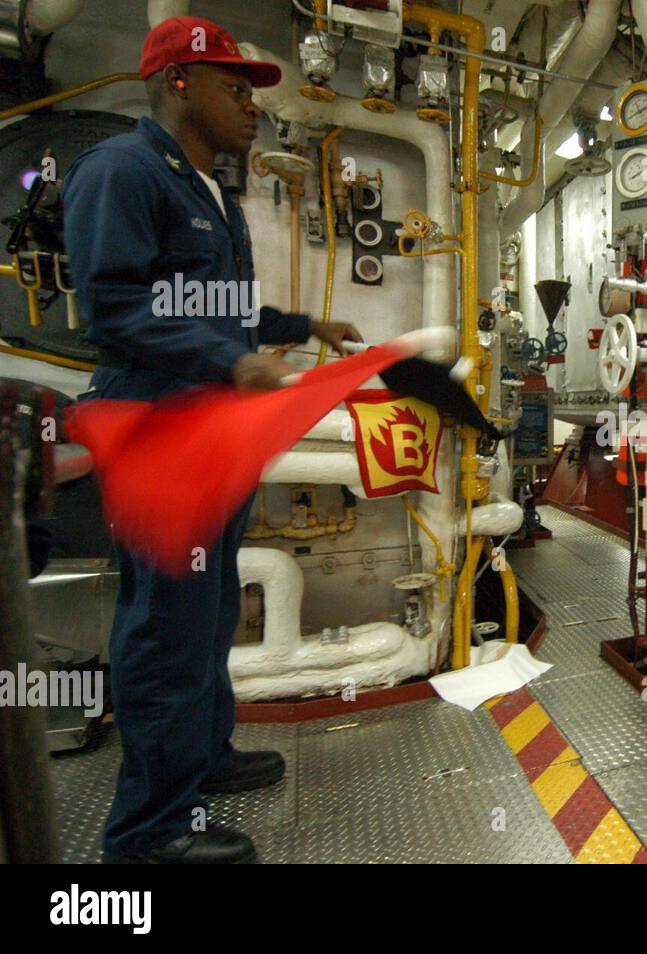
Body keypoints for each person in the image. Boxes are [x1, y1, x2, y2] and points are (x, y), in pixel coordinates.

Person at [63, 15, 362, 862]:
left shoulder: (210, 194)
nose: (251, 105)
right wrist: (229, 363)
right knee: (166, 626)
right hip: (156, 428)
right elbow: (115, 307)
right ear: (177, 83)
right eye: (235, 87)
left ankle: (200, 759)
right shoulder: (121, 170)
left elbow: (213, 306)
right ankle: (149, 832)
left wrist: (301, 325)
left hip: (208, 431)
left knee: (211, 609)